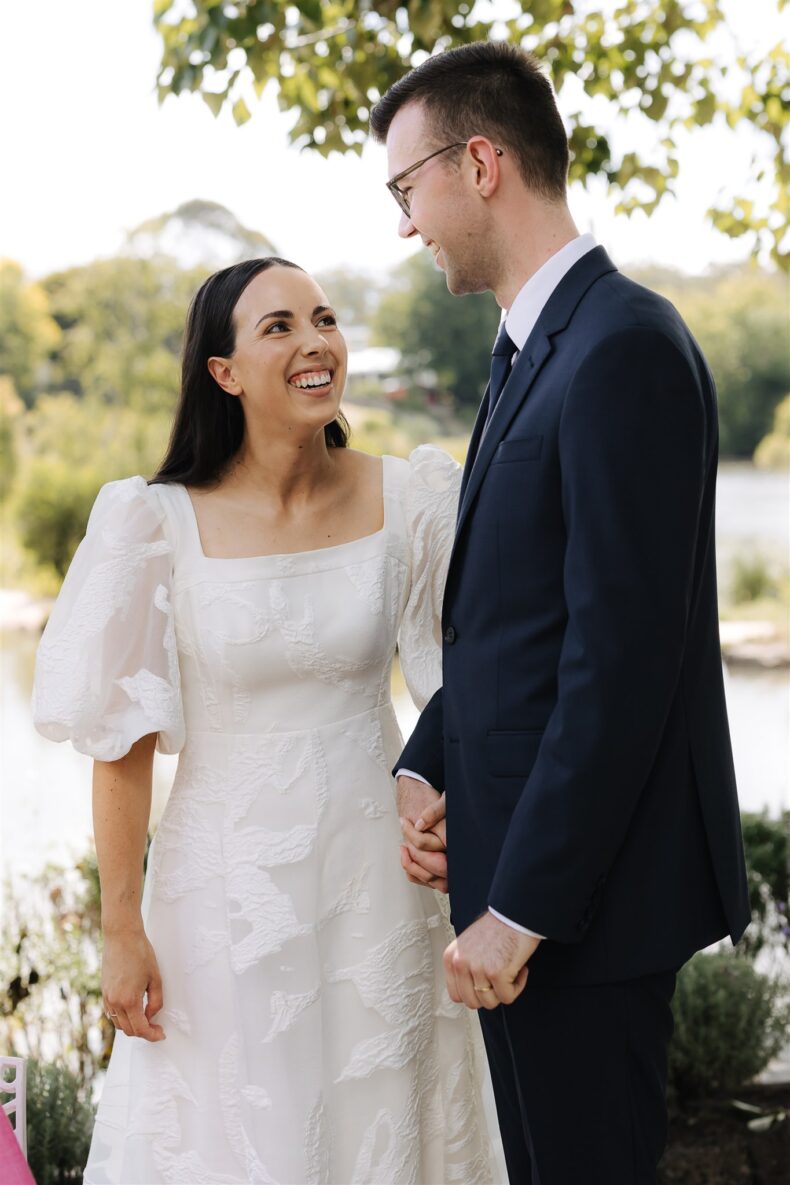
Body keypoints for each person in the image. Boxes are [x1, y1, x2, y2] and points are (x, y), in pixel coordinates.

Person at [370, 42, 751, 1185]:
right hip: (526, 881)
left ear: (480, 162)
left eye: (405, 187)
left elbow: (620, 659)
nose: (403, 224)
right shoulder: (530, 348)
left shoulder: (621, 346)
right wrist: (426, 764)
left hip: (583, 907)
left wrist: (522, 909)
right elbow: (506, 616)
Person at [32, 257, 496, 1184]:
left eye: (323, 318)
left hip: (382, 890)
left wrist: (441, 802)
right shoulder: (152, 522)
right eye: (278, 326)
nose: (315, 341)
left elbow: (466, 692)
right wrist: (120, 927)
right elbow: (120, 744)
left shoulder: (413, 498)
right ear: (224, 372)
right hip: (222, 902)